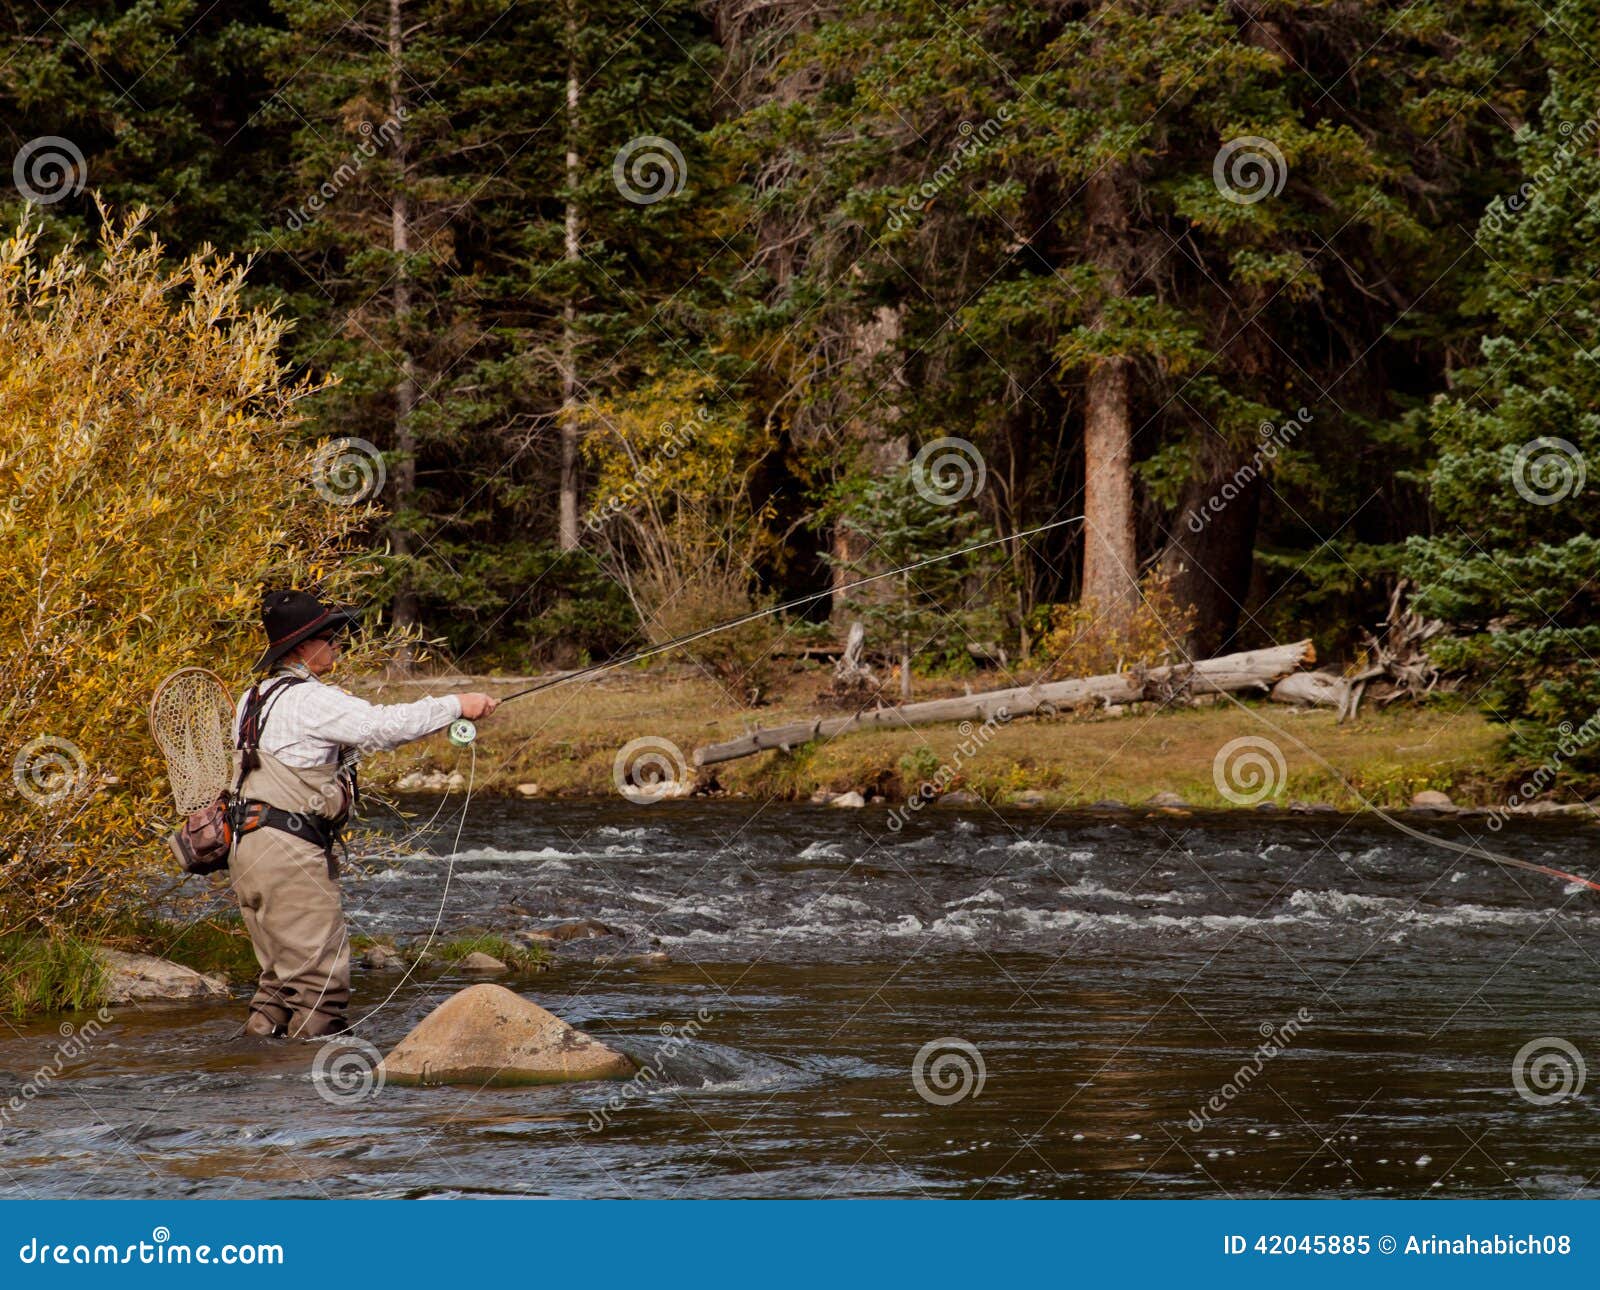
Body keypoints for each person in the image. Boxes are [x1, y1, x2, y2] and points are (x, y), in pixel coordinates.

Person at [231, 590, 497, 1039]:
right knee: (319, 987)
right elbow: (385, 726)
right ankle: (312, 1081)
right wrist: (458, 704)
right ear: (302, 647)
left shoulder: (252, 698)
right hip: (289, 853)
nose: (338, 644)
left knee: (278, 984)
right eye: (330, 637)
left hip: (247, 849)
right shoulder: (311, 701)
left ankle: (255, 1073)